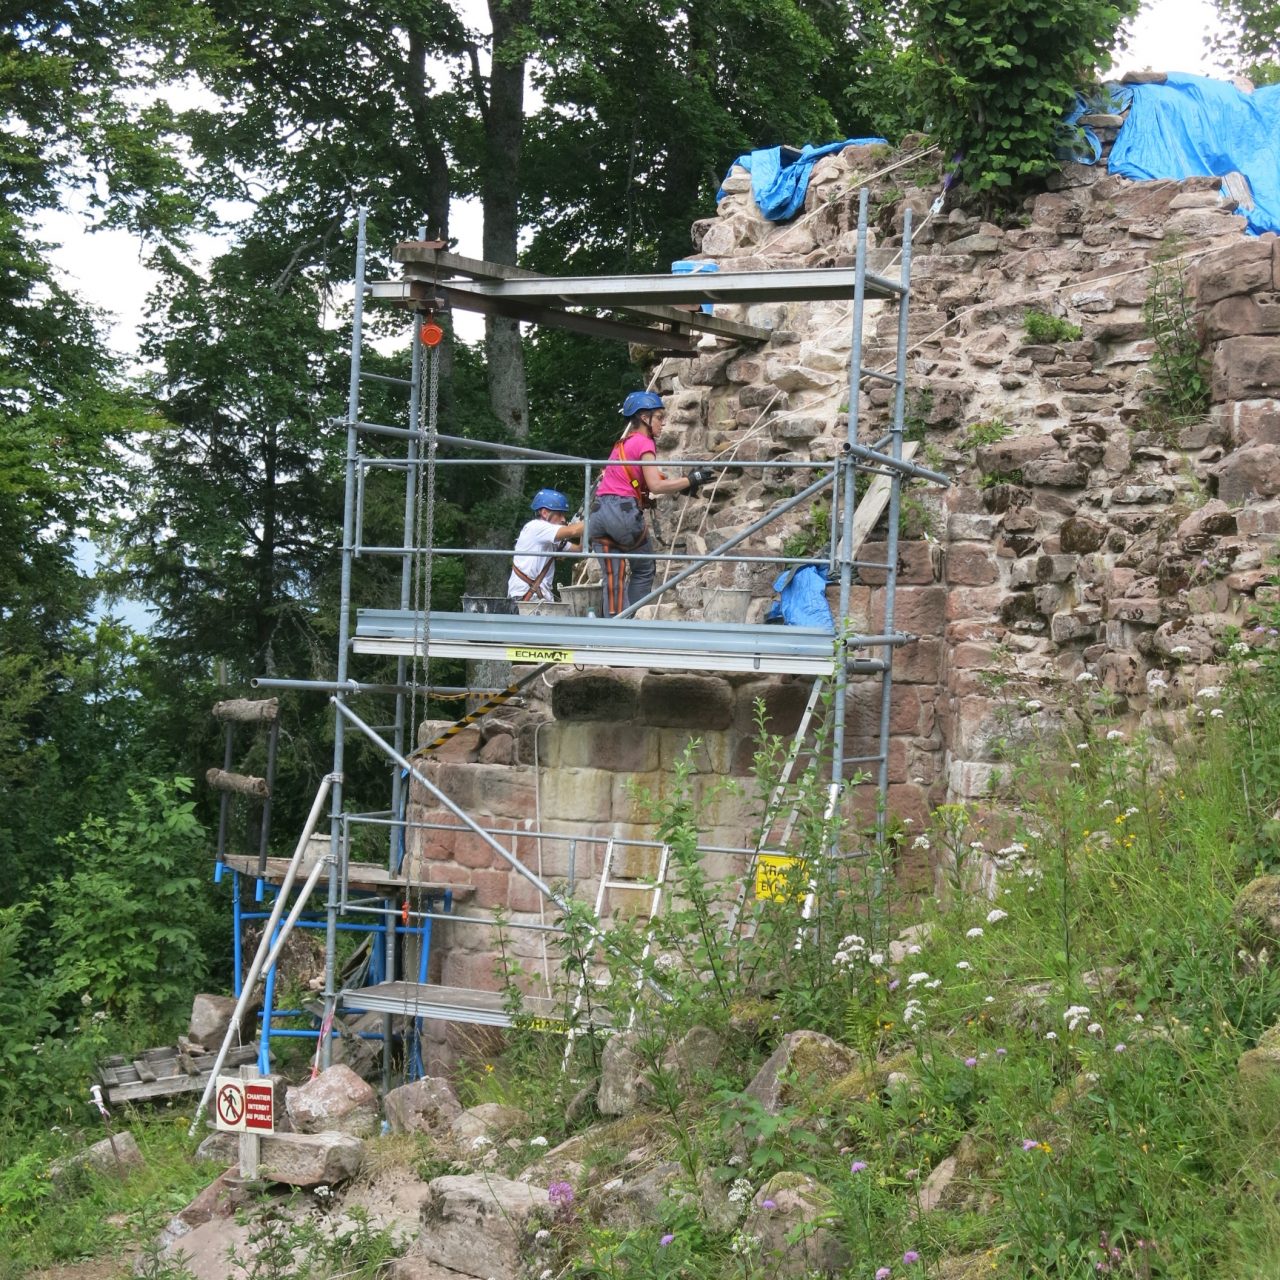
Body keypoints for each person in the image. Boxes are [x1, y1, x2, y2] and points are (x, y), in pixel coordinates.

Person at [589, 391, 715, 617]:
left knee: (613, 575)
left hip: (599, 514)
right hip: (622, 513)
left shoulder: (621, 445)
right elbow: (655, 485)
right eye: (659, 417)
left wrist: (681, 485)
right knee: (644, 568)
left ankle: (614, 624)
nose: (663, 423)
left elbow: (641, 480)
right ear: (644, 418)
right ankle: (635, 619)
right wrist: (692, 479)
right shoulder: (645, 443)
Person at [508, 489, 584, 602]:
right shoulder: (536, 527)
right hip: (526, 596)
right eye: (559, 514)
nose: (563, 519)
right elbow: (572, 531)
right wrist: (594, 520)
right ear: (544, 513)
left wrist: (583, 525)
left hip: (536, 596)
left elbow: (579, 549)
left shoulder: (548, 536)